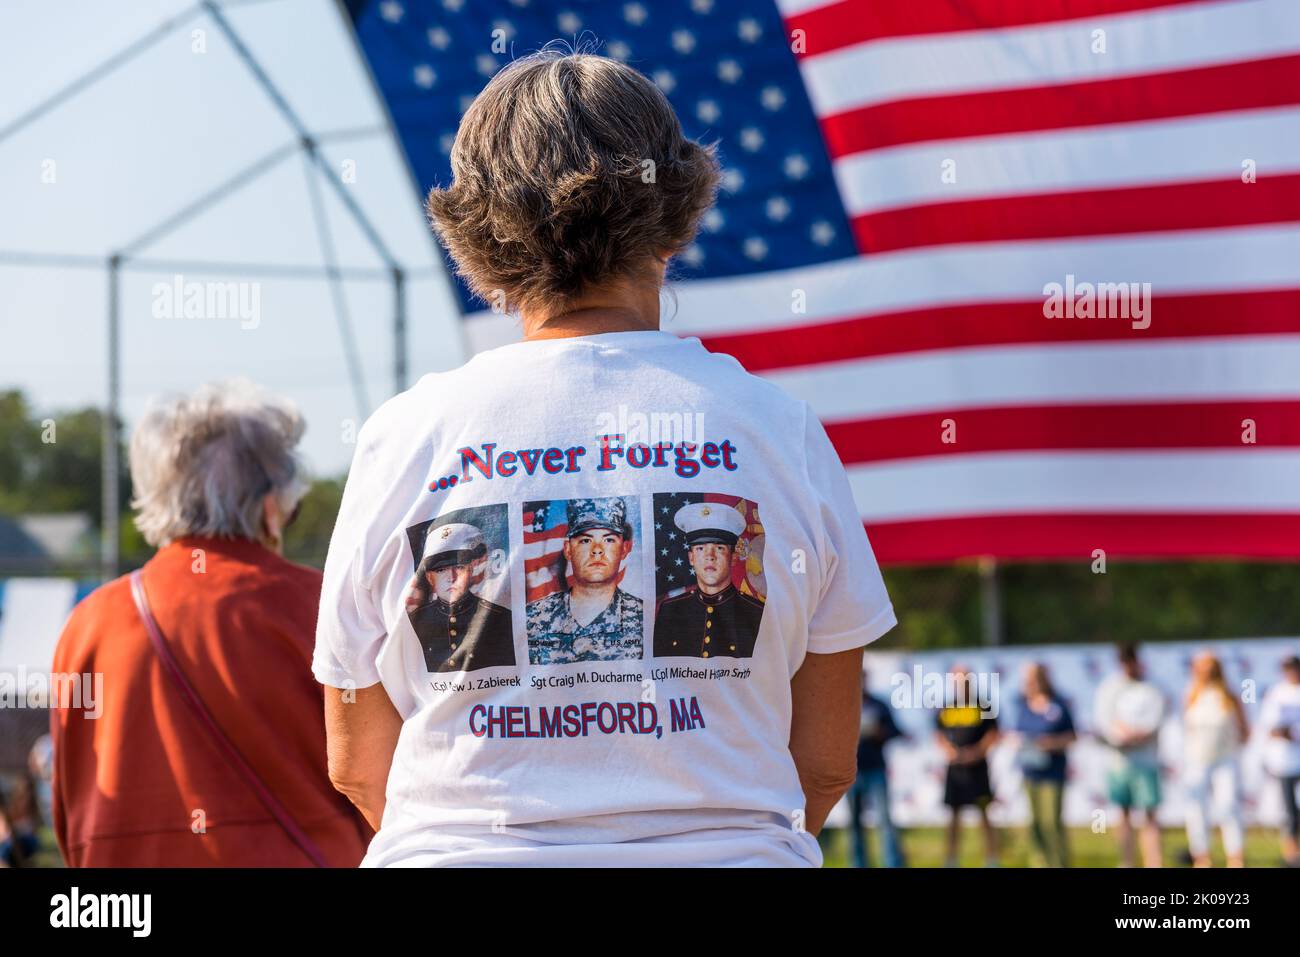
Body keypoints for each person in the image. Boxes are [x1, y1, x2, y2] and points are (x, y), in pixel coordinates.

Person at [315, 48, 896, 866]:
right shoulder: (780, 430)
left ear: (474, 228)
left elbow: (358, 762)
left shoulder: (404, 439)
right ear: (680, 211)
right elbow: (826, 760)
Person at [50, 381, 370, 867]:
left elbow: (70, 803)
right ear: (270, 509)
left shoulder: (88, 624)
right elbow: (375, 776)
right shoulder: (322, 606)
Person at [526, 497, 643, 663]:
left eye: (608, 540)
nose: (597, 550)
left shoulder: (644, 617)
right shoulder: (532, 618)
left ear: (624, 549)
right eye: (585, 540)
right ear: (568, 549)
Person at [653, 501, 764, 659]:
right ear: (691, 558)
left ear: (733, 557)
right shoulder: (670, 610)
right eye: (700, 548)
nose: (709, 556)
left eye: (719, 548)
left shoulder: (757, 613)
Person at [1093, 643, 1166, 867]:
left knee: (1149, 816)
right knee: (1123, 814)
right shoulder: (1109, 688)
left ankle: (1154, 862)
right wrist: (1120, 735)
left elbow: (1154, 722)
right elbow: (1103, 722)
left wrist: (1136, 735)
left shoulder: (1152, 688)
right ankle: (1127, 862)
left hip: (1146, 761)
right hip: (1119, 762)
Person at [406, 522, 515, 671]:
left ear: (471, 571)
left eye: (459, 567)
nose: (451, 577)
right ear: (429, 577)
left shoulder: (501, 618)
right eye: (441, 570)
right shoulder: (414, 621)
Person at [1180, 651, 1247, 867]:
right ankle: (1201, 855)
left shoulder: (1229, 695)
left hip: (1225, 758)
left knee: (1228, 805)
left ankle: (1235, 855)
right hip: (1198, 759)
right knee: (1196, 807)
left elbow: (1245, 730)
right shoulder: (1191, 694)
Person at [934, 665, 1000, 867]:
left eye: (965, 679)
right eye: (958, 679)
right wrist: (950, 751)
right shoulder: (948, 706)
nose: (961, 683)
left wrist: (977, 752)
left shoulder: (983, 705)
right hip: (956, 771)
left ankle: (991, 859)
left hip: (978, 769)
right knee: (954, 817)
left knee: (984, 814)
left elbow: (993, 733)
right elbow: (938, 734)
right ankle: (951, 859)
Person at [1013, 663, 1075, 868]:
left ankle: (1059, 863)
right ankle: (1039, 863)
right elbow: (1018, 734)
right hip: (1030, 771)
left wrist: (1051, 743)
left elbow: (1071, 736)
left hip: (1053, 772)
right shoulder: (1023, 705)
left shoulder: (1058, 705)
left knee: (1051, 823)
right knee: (1035, 824)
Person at [849, 671, 905, 868]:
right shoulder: (844, 705)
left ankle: (893, 863)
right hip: (850, 773)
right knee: (855, 825)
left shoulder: (878, 705)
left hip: (876, 770)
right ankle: (858, 864)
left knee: (885, 822)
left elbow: (896, 731)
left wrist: (878, 732)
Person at [1259, 654, 1300, 867]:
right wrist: (1286, 733)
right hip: (1286, 761)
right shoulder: (1277, 693)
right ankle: (1291, 854)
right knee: (1290, 811)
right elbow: (1270, 727)